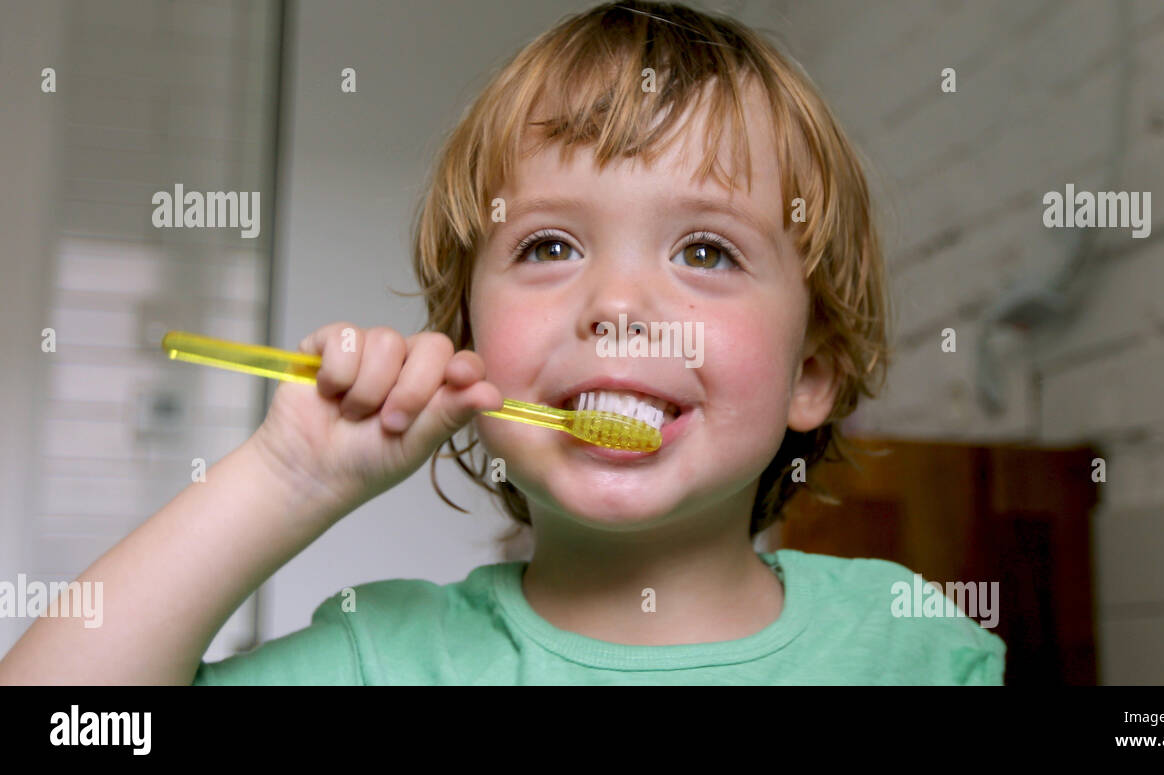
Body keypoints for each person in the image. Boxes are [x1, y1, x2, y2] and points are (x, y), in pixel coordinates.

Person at [0, 0, 1004, 685]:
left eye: (705, 248)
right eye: (550, 244)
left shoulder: (906, 644)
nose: (616, 302)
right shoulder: (388, 657)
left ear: (813, 374)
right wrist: (288, 477)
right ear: (467, 342)